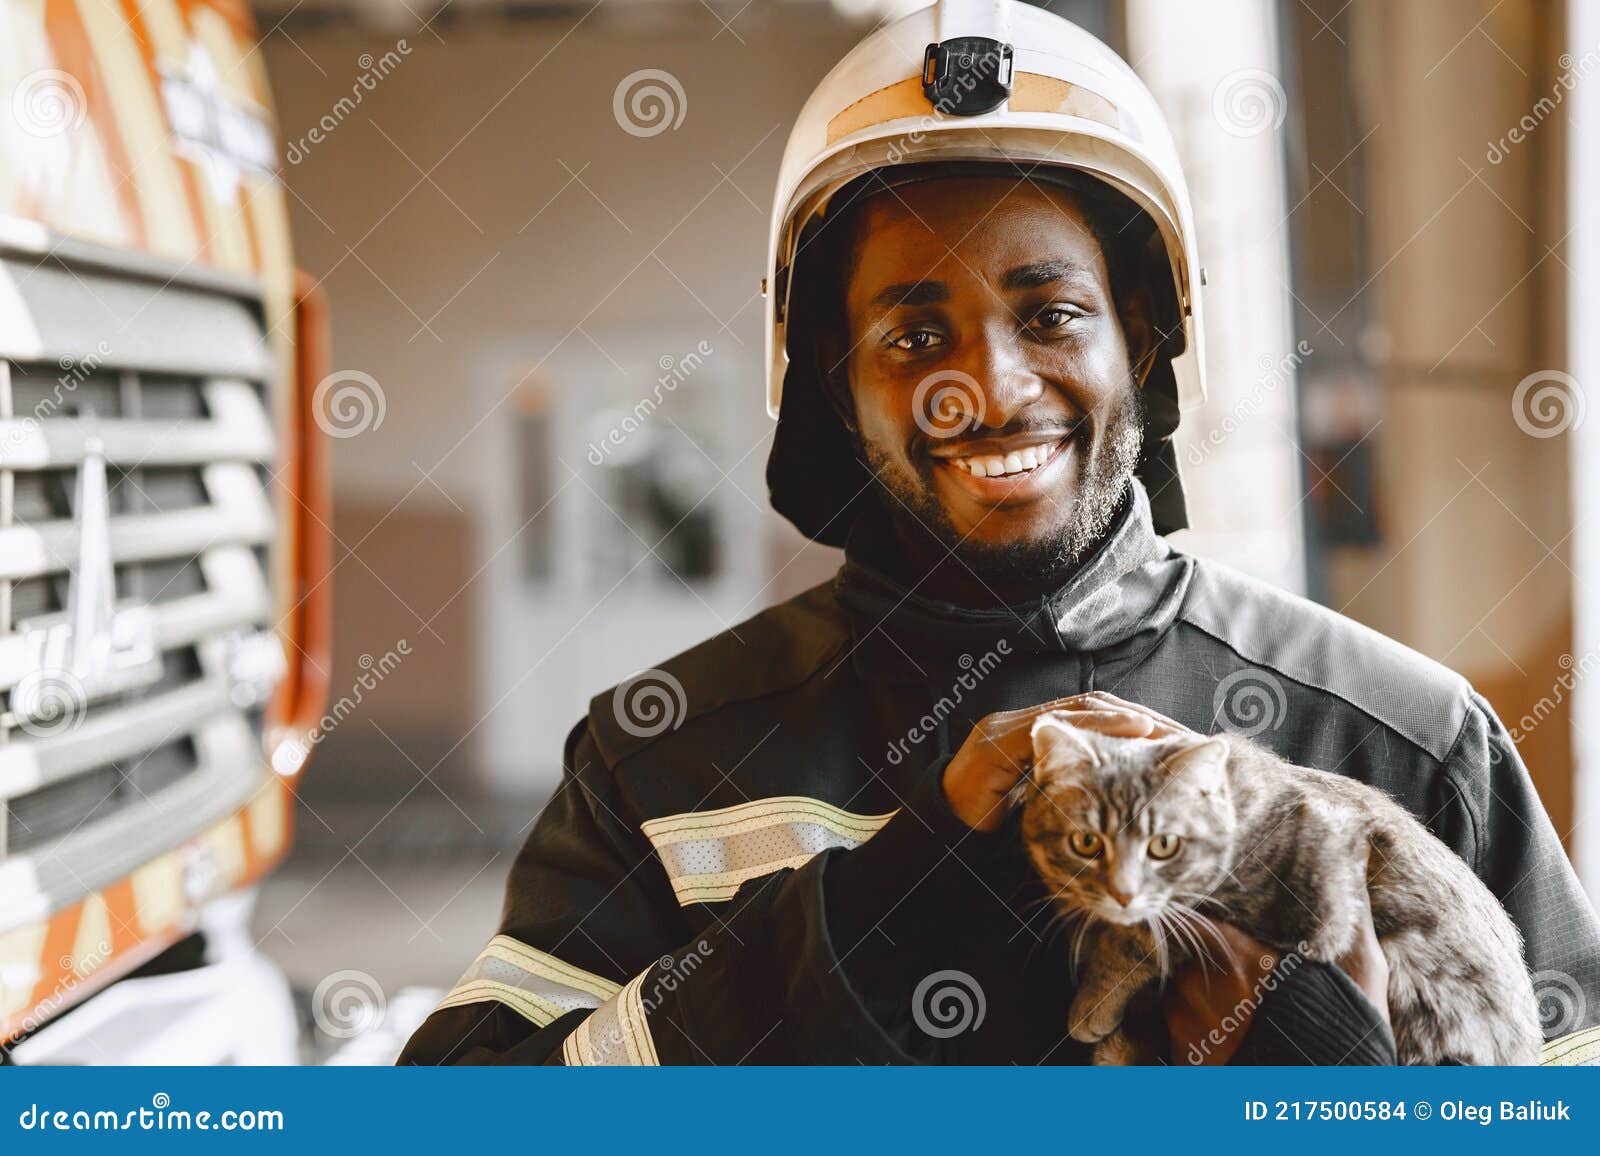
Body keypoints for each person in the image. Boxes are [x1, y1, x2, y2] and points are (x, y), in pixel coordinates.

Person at [400, 0, 1600, 1066]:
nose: (986, 387)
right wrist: (867, 913)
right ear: (833, 383)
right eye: (914, 336)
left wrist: (1337, 1092)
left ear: (1140, 335)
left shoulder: (1401, 737)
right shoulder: (663, 759)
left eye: (1051, 313)